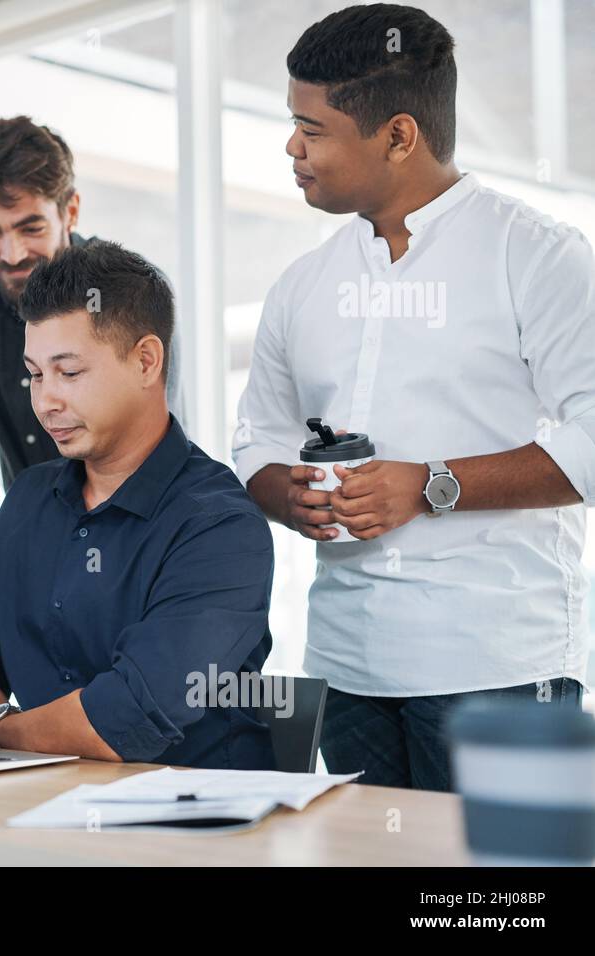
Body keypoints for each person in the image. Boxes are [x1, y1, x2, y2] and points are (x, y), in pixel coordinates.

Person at [233, 4, 592, 791]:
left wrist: (432, 485)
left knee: (494, 875)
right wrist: (290, 496)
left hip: (500, 667)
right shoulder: (302, 285)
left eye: (312, 129)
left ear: (399, 136)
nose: (293, 148)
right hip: (346, 669)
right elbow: (257, 439)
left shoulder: (536, 256)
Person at [0, 241, 275, 768]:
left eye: (69, 373)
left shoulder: (220, 526)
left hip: (190, 810)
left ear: (146, 361)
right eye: (35, 374)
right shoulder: (28, 500)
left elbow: (123, 722)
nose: (45, 401)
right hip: (41, 802)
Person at [0, 116, 185, 585]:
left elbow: (150, 451)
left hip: (142, 541)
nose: (12, 254)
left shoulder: (129, 294)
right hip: (33, 544)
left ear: (69, 211)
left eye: (30, 227)